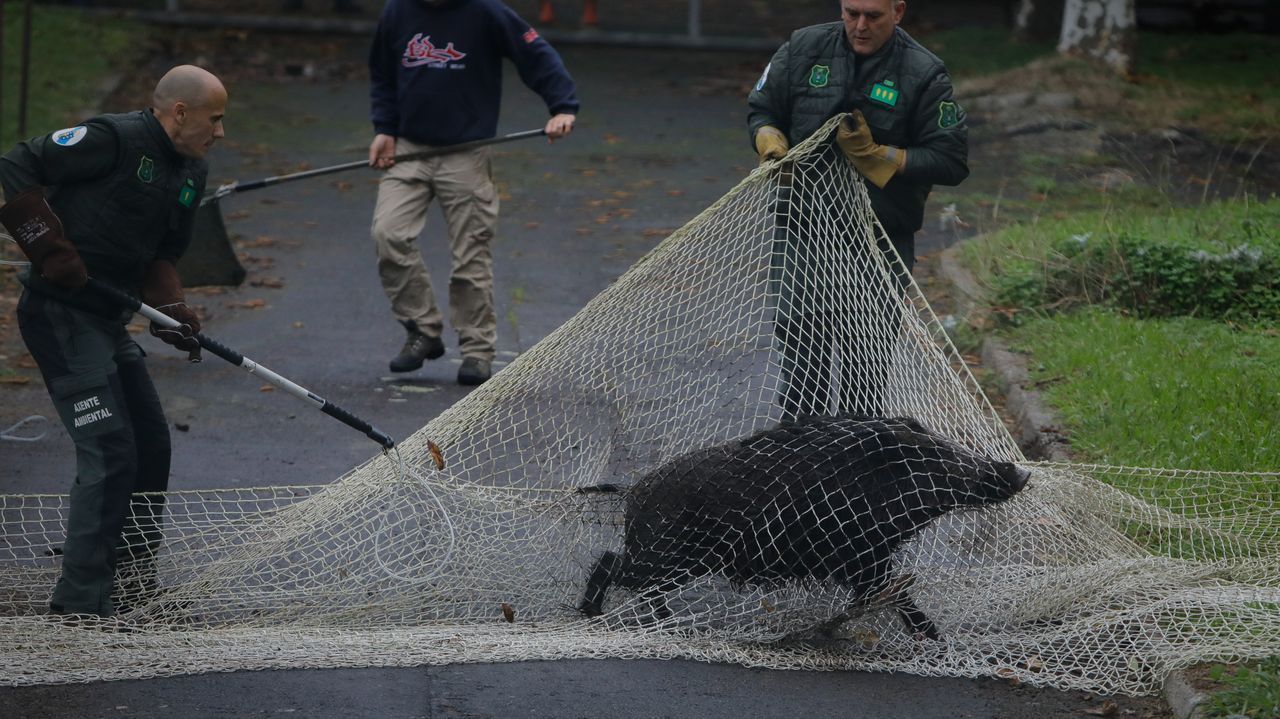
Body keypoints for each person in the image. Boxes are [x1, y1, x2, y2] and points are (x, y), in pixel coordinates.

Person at [0, 65, 227, 618]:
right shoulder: (112, 138)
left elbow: (161, 257)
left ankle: (131, 582)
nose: (220, 131)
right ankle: (82, 600)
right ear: (180, 112)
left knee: (150, 444)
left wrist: (172, 307)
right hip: (60, 314)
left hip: (107, 318)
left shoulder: (191, 171)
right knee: (109, 448)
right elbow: (14, 165)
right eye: (215, 118)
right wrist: (49, 249)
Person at [746, 0, 968, 419]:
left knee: (862, 371)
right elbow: (762, 109)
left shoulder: (924, 72)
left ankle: (855, 464)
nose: (859, 26)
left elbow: (951, 160)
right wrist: (769, 140)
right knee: (800, 362)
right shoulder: (803, 47)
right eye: (851, 13)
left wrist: (878, 156)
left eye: (873, 16)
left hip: (878, 239)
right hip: (804, 228)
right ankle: (799, 459)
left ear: (898, 11)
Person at [368, 0, 578, 385]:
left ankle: (477, 350)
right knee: (389, 235)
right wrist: (385, 128)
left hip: (465, 152)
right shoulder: (398, 12)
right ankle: (423, 329)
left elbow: (535, 53)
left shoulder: (487, 12)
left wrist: (562, 106)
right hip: (409, 149)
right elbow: (382, 73)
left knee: (470, 254)